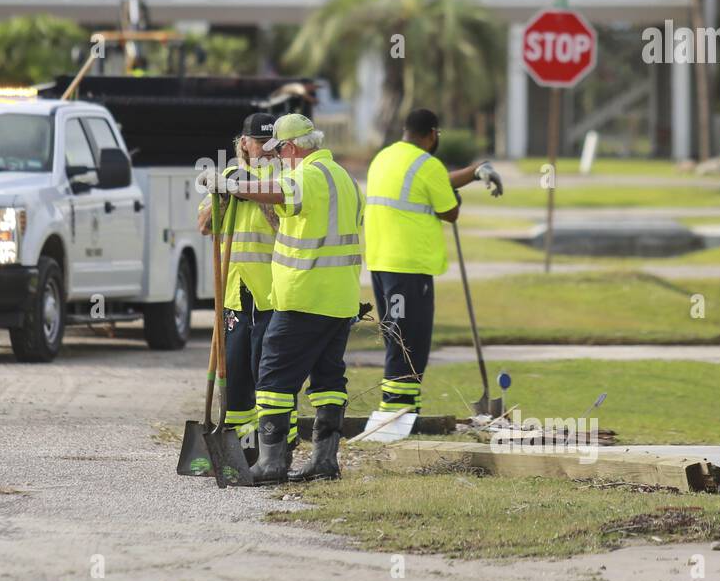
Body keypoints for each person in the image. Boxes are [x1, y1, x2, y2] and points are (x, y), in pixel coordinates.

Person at [202, 113, 363, 485]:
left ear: (290, 147)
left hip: (304, 297)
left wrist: (233, 186)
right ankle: (325, 461)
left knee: (273, 377)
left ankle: (271, 463)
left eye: (280, 152)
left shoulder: (306, 176)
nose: (278, 159)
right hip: (340, 299)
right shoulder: (345, 178)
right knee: (328, 377)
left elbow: (279, 192)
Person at [364, 108, 503, 418]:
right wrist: (457, 197)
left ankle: (402, 407)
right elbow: (449, 211)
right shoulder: (427, 164)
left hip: (380, 261)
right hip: (409, 266)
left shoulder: (385, 157)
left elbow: (433, 182)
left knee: (395, 334)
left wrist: (475, 170)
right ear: (432, 134)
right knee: (410, 337)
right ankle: (397, 410)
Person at [197, 113, 280, 461]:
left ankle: (276, 446)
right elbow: (204, 226)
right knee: (233, 370)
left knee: (269, 371)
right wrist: (225, 194)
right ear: (244, 142)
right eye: (259, 143)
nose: (265, 151)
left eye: (272, 145)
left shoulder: (283, 177)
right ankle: (239, 448)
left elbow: (281, 222)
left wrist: (251, 191)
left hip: (272, 290)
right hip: (234, 289)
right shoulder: (228, 174)